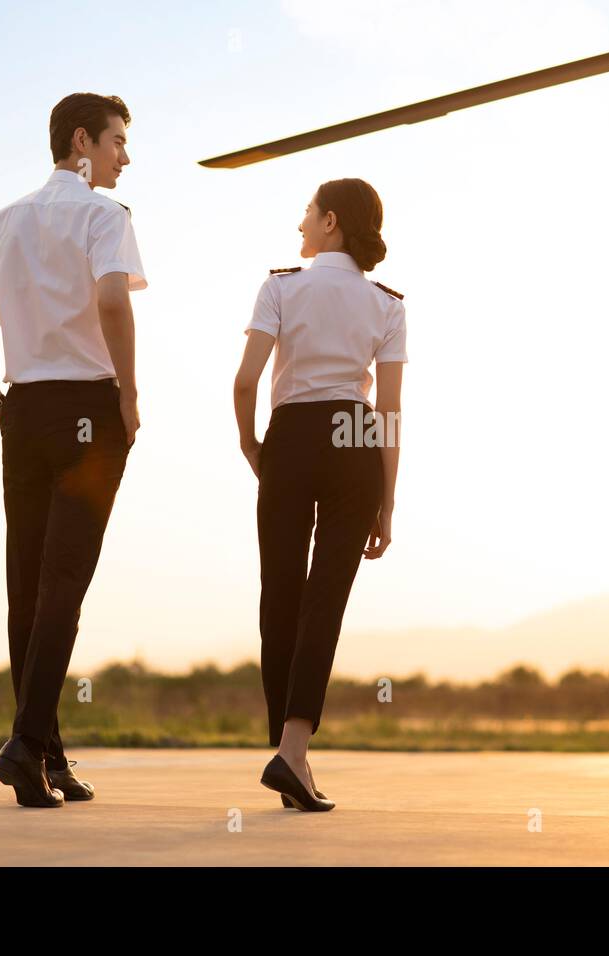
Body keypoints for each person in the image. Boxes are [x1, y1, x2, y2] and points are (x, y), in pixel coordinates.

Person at [0, 92, 147, 808]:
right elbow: (113, 301)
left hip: (23, 413)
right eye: (117, 141)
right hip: (86, 408)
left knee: (28, 583)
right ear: (82, 140)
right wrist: (129, 394)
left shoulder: (6, 221)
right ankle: (24, 746)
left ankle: (45, 756)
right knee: (65, 585)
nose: (125, 155)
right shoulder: (103, 216)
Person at [233, 178, 407, 812]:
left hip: (291, 435)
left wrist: (254, 445)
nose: (300, 223)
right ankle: (294, 750)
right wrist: (387, 500)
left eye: (306, 212)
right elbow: (388, 411)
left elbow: (245, 380)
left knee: (279, 592)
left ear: (331, 221)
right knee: (325, 599)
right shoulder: (388, 305)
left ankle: (286, 751)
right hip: (355, 436)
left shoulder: (281, 286)